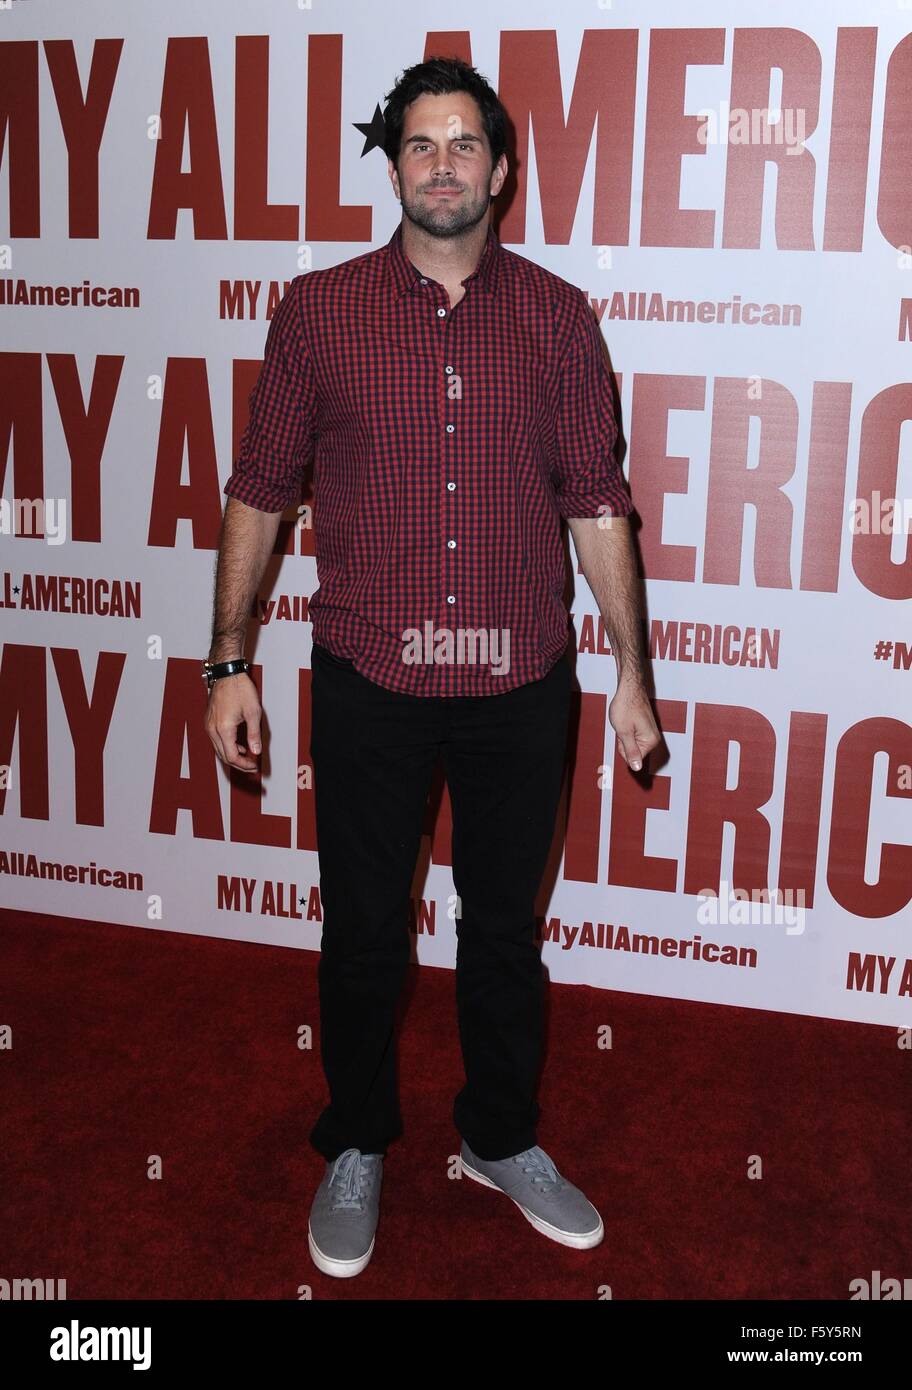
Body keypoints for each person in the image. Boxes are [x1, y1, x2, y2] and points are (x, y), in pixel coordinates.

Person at [205, 56, 660, 1279]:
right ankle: (356, 1140)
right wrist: (226, 660)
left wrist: (630, 672)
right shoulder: (317, 312)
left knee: (505, 933)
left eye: (465, 143)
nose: (443, 162)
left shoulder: (560, 317)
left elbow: (599, 503)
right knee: (362, 935)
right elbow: (259, 492)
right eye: (420, 143)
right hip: (368, 680)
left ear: (501, 170)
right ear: (393, 166)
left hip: (521, 683)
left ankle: (501, 1138)